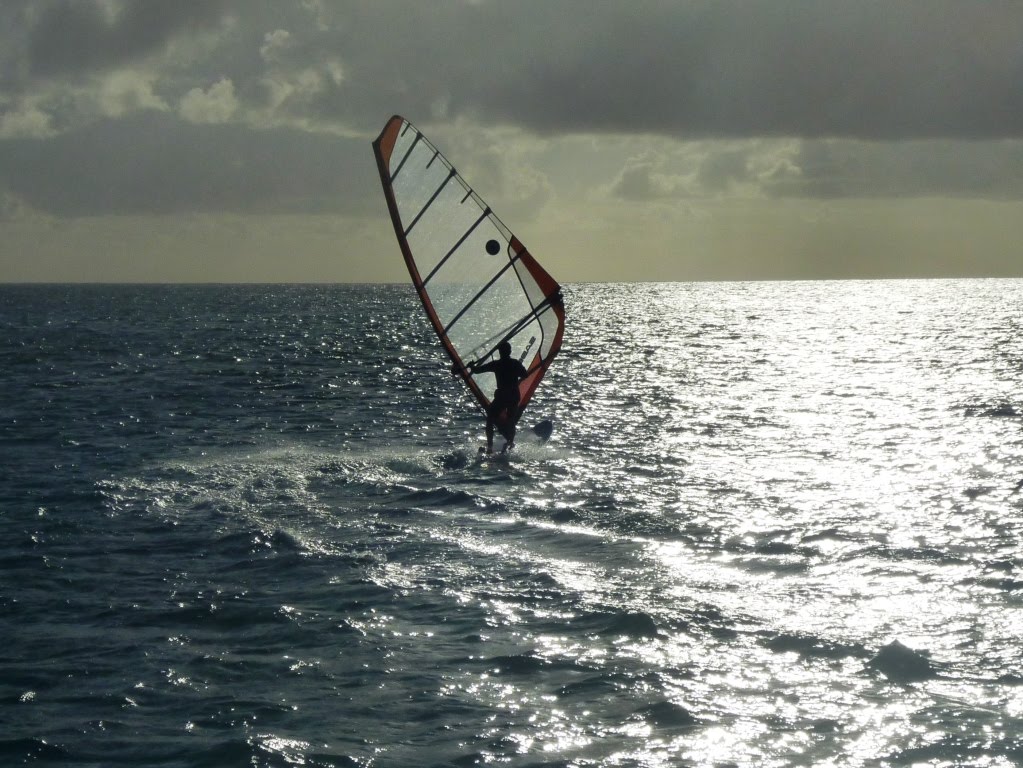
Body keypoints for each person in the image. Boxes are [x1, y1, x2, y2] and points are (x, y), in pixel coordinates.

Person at [456, 341, 528, 454]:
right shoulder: (515, 363)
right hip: (513, 395)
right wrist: (515, 378)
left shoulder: (497, 364)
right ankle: (510, 443)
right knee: (511, 420)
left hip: (502, 396)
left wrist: (471, 366)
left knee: (490, 419)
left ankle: (490, 447)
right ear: (510, 351)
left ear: (500, 352)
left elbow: (477, 370)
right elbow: (525, 374)